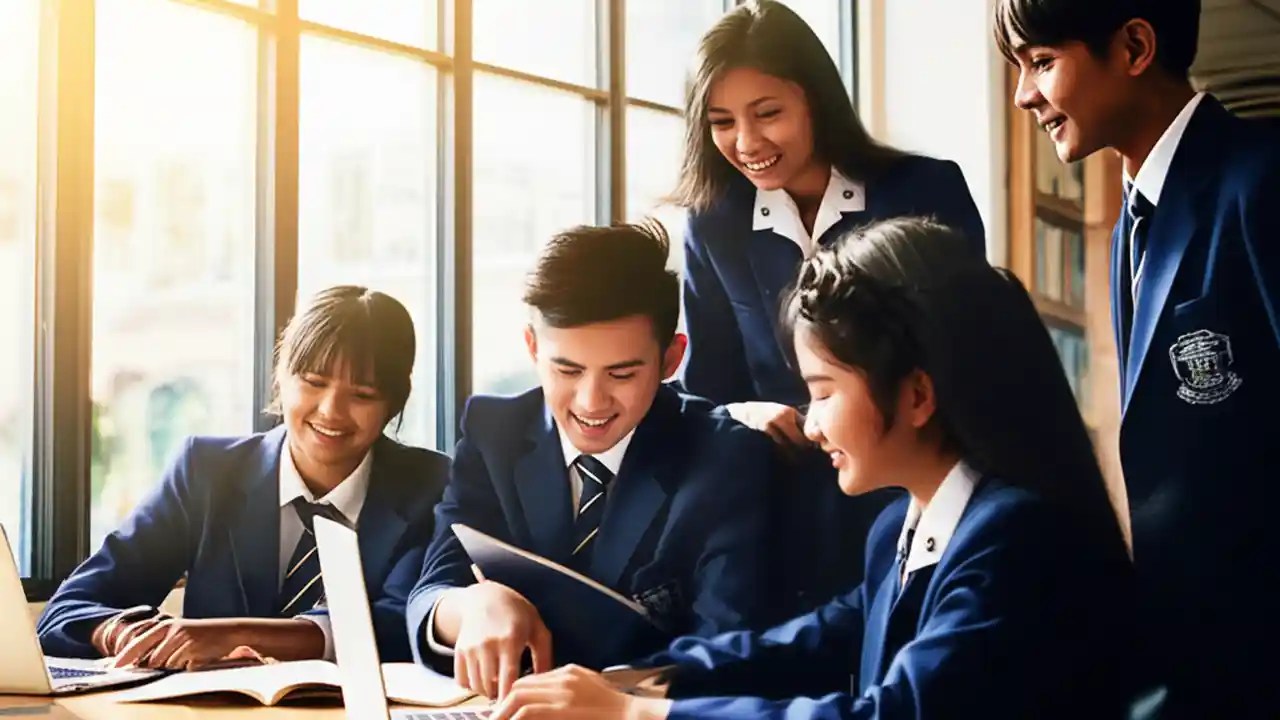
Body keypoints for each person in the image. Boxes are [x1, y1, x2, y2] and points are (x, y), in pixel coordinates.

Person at [486, 218, 1137, 720]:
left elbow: (889, 715)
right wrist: (625, 682)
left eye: (824, 392)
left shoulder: (1015, 539)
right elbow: (804, 644)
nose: (812, 421)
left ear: (915, 394)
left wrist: (638, 713)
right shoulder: (899, 532)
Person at [997, 1, 1280, 714]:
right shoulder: (1130, 224)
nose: (1023, 95)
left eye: (1041, 63)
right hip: (1193, 660)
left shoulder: (1262, 183)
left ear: (1133, 46)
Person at [676, 0, 987, 610]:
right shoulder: (714, 222)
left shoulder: (926, 192)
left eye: (768, 113)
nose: (746, 142)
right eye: (720, 122)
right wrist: (745, 412)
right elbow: (704, 388)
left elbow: (966, 358)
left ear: (815, 99)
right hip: (780, 509)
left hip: (911, 495)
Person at [406, 222, 777, 701]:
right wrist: (471, 605)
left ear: (670, 359)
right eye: (567, 370)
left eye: (622, 373)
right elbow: (432, 588)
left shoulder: (726, 458)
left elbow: (728, 648)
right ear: (533, 347)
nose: (591, 401)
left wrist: (605, 697)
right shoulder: (493, 431)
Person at [37, 286, 449, 668]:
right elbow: (70, 607)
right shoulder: (206, 471)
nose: (331, 411)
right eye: (313, 382)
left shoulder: (433, 487)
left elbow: (401, 625)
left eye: (361, 395)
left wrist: (232, 634)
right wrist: (128, 635)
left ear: (395, 402)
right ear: (281, 377)